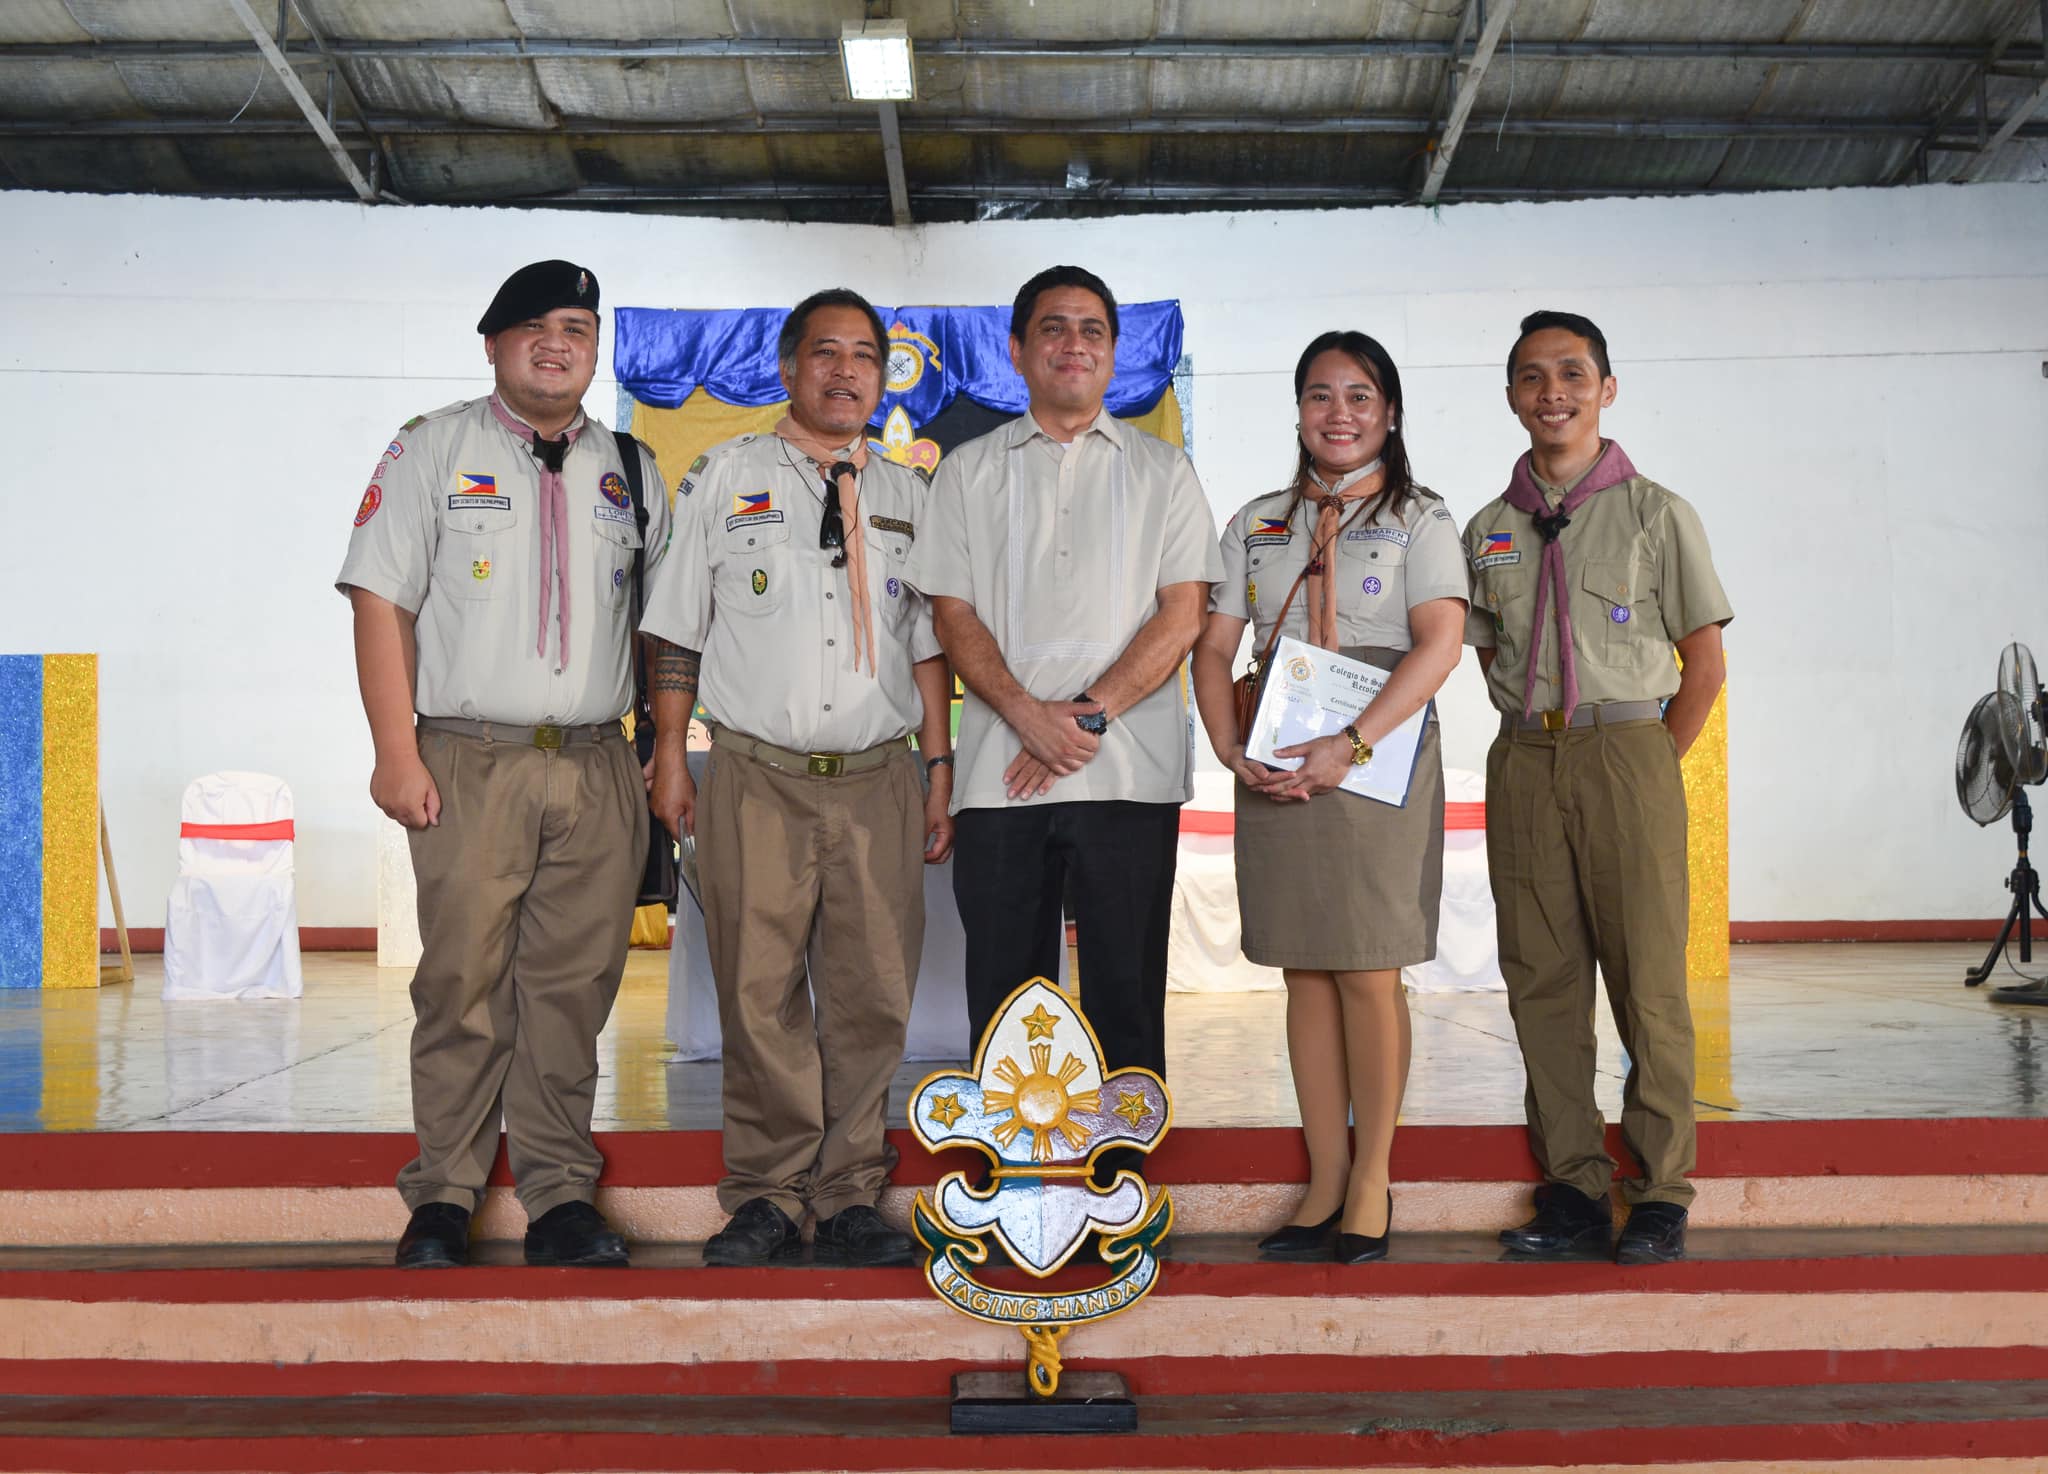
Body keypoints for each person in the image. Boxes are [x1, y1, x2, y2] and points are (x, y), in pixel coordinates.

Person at [337, 259, 670, 1269]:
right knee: (463, 984)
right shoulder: (433, 447)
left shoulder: (631, 468)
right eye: (534, 326)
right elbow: (380, 600)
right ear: (493, 343)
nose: (556, 344)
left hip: (596, 764)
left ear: (595, 347)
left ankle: (560, 1193)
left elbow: (661, 627)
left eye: (577, 327)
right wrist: (394, 751)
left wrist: (661, 750)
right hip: (469, 759)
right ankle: (443, 1193)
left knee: (573, 990)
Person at [642, 288, 955, 1268]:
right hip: (755, 777)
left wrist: (938, 768)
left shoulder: (910, 495)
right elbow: (676, 627)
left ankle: (851, 1190)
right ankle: (768, 1194)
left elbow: (929, 649)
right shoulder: (722, 477)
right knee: (756, 989)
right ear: (788, 368)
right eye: (825, 352)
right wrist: (668, 752)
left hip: (877, 777)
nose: (845, 371)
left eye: (863, 355)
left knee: (872, 993)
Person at [909, 265, 1222, 1119]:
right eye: (1052, 327)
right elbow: (950, 613)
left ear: (1114, 353)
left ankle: (1127, 1170)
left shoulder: (1164, 471)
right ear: (1017, 350)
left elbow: (1184, 612)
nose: (1072, 344)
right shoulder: (967, 472)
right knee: (1006, 998)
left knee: (1127, 993)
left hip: (1129, 774)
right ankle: (1012, 1175)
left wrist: (1083, 719)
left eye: (1092, 330)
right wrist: (1025, 716)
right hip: (997, 778)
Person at [1189, 331, 1467, 1264]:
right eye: (1320, 395)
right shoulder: (1257, 522)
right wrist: (1227, 744)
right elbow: (1215, 645)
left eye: (1359, 396)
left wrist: (1351, 744)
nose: (1338, 413)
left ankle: (1373, 1181)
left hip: (1375, 751)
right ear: (1299, 410)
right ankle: (1323, 1180)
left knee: (1367, 968)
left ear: (1390, 412)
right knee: (1303, 967)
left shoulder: (1421, 518)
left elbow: (1439, 644)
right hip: (1277, 750)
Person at [1464, 310, 1732, 1266]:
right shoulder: (1488, 531)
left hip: (1627, 753)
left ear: (1606, 389)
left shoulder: (1658, 513)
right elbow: (1485, 652)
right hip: (1524, 759)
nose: (1554, 393)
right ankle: (1573, 1185)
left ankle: (1659, 1190)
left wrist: (1648, 758)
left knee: (1647, 978)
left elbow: (1704, 662)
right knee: (1541, 979)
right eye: (1532, 377)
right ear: (1511, 396)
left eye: (1573, 374)